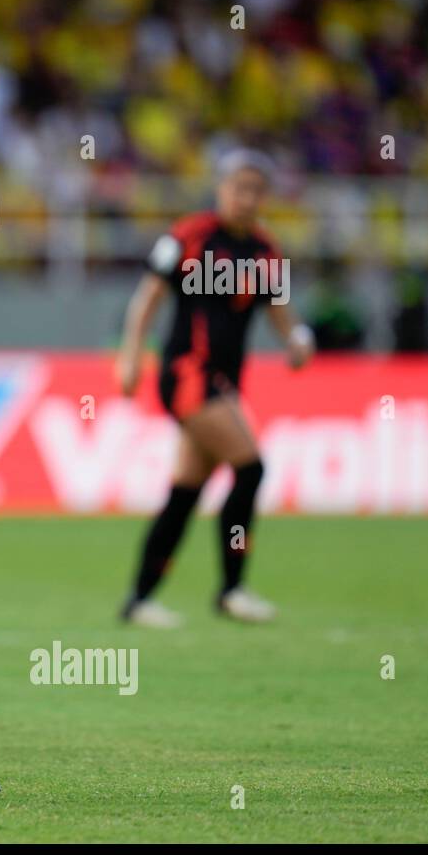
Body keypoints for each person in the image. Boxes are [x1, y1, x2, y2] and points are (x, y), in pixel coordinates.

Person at [115, 149, 314, 628]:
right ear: (221, 189)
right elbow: (147, 300)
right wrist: (130, 357)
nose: (246, 198)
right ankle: (231, 589)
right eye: (238, 188)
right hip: (188, 375)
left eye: (255, 190)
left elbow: (279, 311)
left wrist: (295, 340)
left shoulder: (266, 250)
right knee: (251, 468)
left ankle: (140, 600)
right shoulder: (190, 236)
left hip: (224, 383)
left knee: (186, 491)